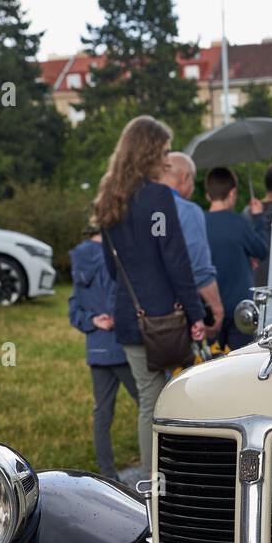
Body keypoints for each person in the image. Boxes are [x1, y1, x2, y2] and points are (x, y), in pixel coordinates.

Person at [96, 116, 206, 474]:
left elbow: (112, 268)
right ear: (148, 152)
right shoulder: (157, 196)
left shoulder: (109, 198)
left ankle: (151, 478)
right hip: (166, 318)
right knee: (179, 394)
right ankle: (174, 474)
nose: (167, 159)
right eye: (163, 151)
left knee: (149, 399)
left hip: (130, 317)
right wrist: (196, 313)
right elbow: (175, 260)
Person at [68, 225, 138, 481]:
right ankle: (158, 466)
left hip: (97, 347)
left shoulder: (79, 263)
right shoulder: (112, 259)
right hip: (122, 346)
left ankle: (108, 474)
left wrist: (92, 320)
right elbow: (122, 298)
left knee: (102, 413)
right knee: (151, 405)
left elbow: (73, 310)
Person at [204, 166, 269, 350]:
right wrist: (258, 218)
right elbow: (262, 251)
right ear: (232, 193)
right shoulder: (238, 223)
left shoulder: (199, 223)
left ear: (208, 195)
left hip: (210, 309)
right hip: (240, 311)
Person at [162, 151, 224, 337]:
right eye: (192, 181)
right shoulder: (188, 211)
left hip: (140, 317)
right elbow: (198, 267)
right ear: (185, 177)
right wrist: (216, 309)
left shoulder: (138, 207)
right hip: (178, 317)